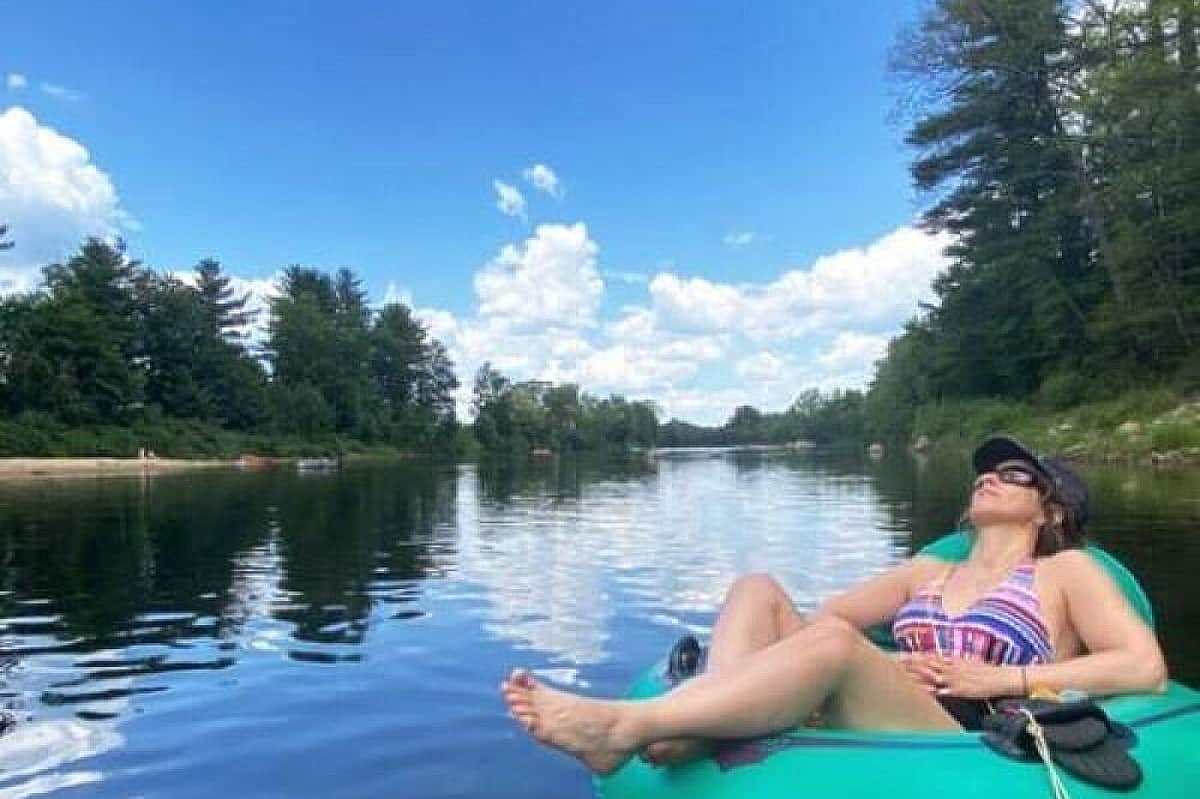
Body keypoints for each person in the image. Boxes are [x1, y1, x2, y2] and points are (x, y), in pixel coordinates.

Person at [500, 436, 1168, 776]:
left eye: (1014, 474)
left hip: (967, 729)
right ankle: (710, 720)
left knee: (837, 648)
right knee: (758, 588)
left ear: (1051, 509)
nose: (989, 476)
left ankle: (625, 728)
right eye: (985, 472)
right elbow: (829, 617)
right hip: (896, 695)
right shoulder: (928, 571)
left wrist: (997, 678)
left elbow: (1144, 668)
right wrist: (890, 664)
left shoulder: (1064, 571)